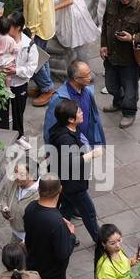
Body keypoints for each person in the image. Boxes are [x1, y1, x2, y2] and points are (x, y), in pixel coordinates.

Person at [99, 0, 140, 130]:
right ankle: (118, 102)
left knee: (130, 87)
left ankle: (129, 111)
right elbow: (105, 23)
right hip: (111, 54)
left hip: (130, 57)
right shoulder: (112, 0)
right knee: (111, 85)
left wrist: (133, 38)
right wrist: (103, 44)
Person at [49, 98, 102, 244]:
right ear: (71, 119)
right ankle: (100, 241)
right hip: (72, 183)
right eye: (78, 111)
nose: (81, 112)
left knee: (66, 209)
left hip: (65, 180)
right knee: (89, 212)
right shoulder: (65, 138)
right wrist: (92, 155)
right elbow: (71, 162)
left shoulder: (62, 128)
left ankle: (63, 236)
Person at [24, 176, 77, 279]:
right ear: (60, 189)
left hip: (33, 271)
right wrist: (71, 235)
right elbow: (63, 254)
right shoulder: (57, 222)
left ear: (39, 190)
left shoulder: (30, 208)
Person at [0, 10, 39, 139]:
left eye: (10, 24)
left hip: (19, 83)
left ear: (18, 28)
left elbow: (31, 69)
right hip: (1, 83)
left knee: (18, 113)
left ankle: (19, 137)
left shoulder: (29, 45)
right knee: (1, 113)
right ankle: (3, 138)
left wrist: (16, 71)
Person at [18, 0, 58, 106]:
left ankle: (47, 88)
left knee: (35, 60)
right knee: (42, 57)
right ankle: (45, 86)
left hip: (38, 28)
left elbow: (34, 10)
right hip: (46, 23)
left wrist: (31, 32)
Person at [43, 58, 106, 149]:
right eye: (87, 75)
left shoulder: (87, 91)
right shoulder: (59, 98)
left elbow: (93, 118)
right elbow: (49, 127)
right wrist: (50, 150)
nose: (90, 77)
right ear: (76, 79)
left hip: (87, 141)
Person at [1, 161, 40, 243]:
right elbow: (5, 197)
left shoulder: (40, 195)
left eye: (21, 174)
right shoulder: (12, 183)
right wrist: (4, 207)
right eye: (15, 172)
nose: (16, 177)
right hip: (15, 234)